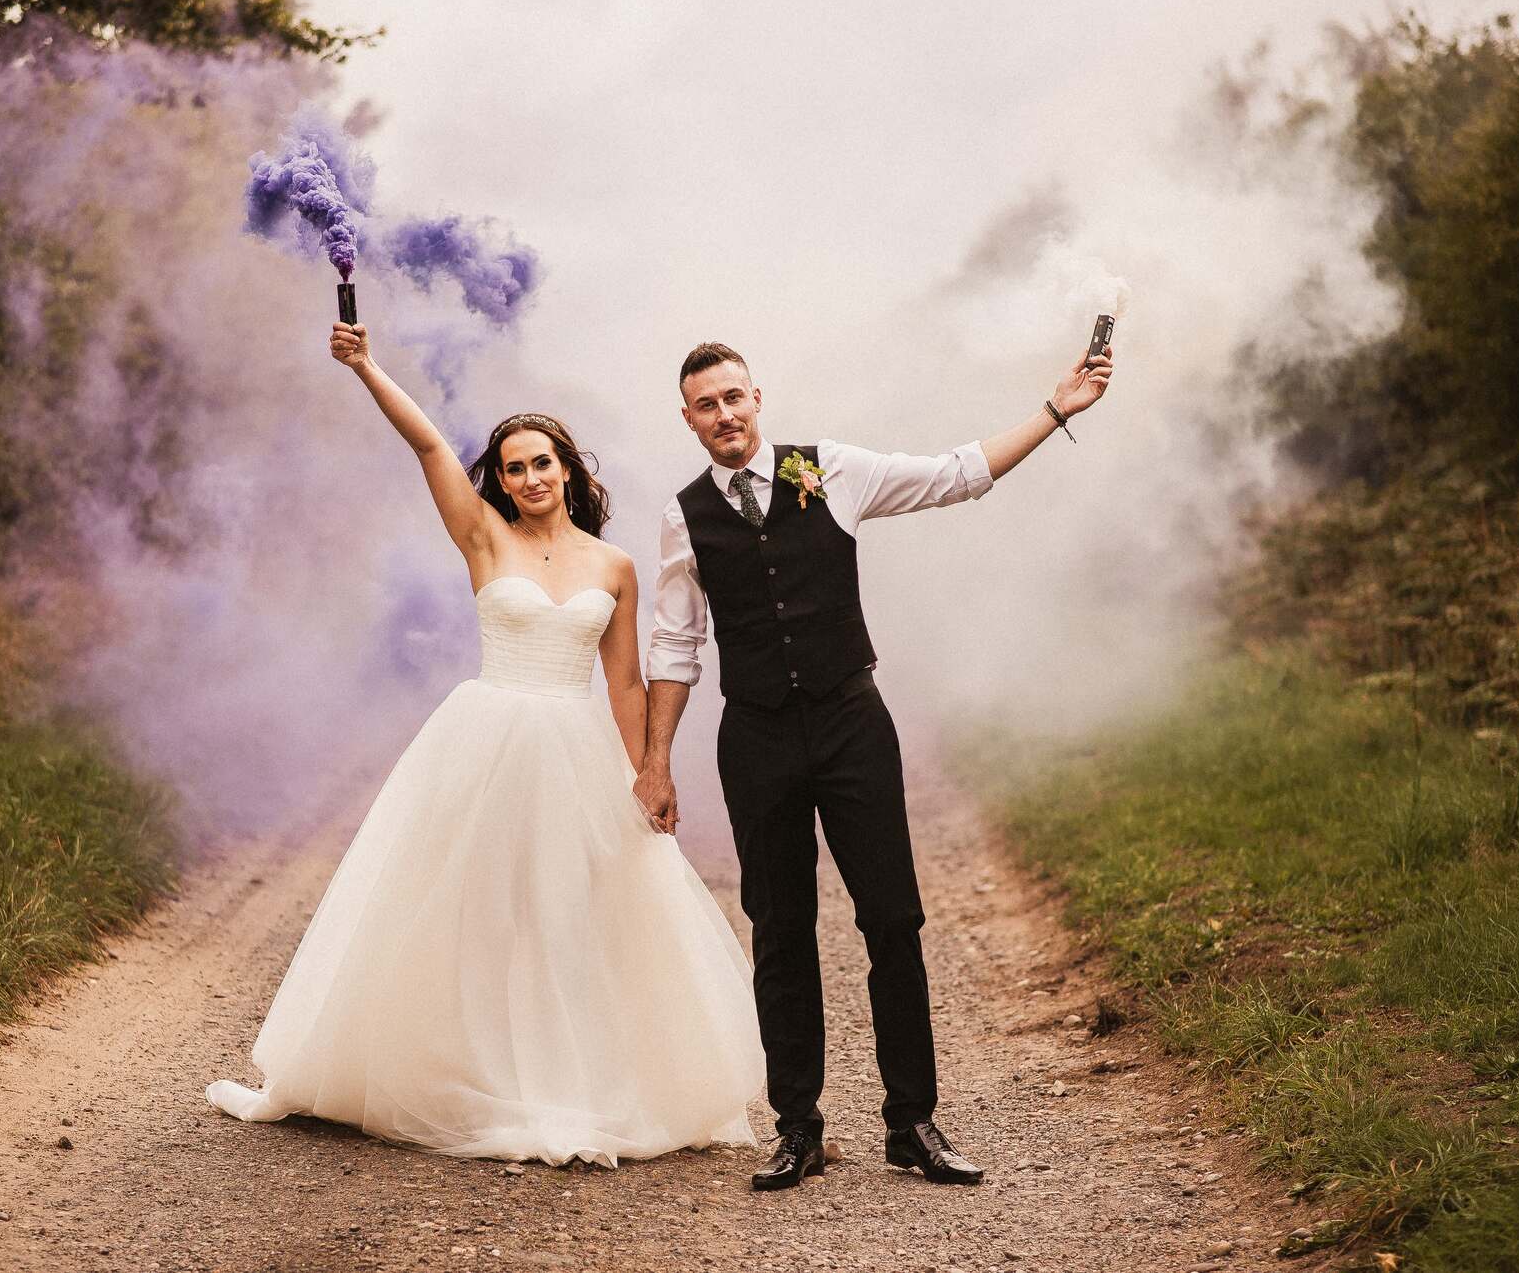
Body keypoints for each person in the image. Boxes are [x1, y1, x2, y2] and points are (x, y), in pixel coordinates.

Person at [204, 322, 765, 1167]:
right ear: (498, 483)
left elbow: (623, 684)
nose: (531, 477)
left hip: (573, 749)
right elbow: (428, 441)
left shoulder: (613, 566)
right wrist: (364, 367)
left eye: (544, 462)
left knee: (572, 913)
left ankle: (570, 1082)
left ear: (569, 470)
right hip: (486, 735)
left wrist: (650, 769)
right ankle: (459, 1070)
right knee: (469, 909)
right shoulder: (483, 538)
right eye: (514, 467)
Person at [634, 338, 1114, 1190]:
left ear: (757, 397)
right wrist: (655, 762)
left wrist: (1053, 411)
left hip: (853, 722)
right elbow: (675, 648)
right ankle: (798, 1128)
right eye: (707, 406)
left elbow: (954, 474)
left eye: (735, 398)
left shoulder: (834, 470)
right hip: (757, 737)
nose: (726, 416)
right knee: (780, 933)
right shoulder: (682, 518)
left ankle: (913, 1123)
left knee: (892, 919)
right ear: (689, 420)